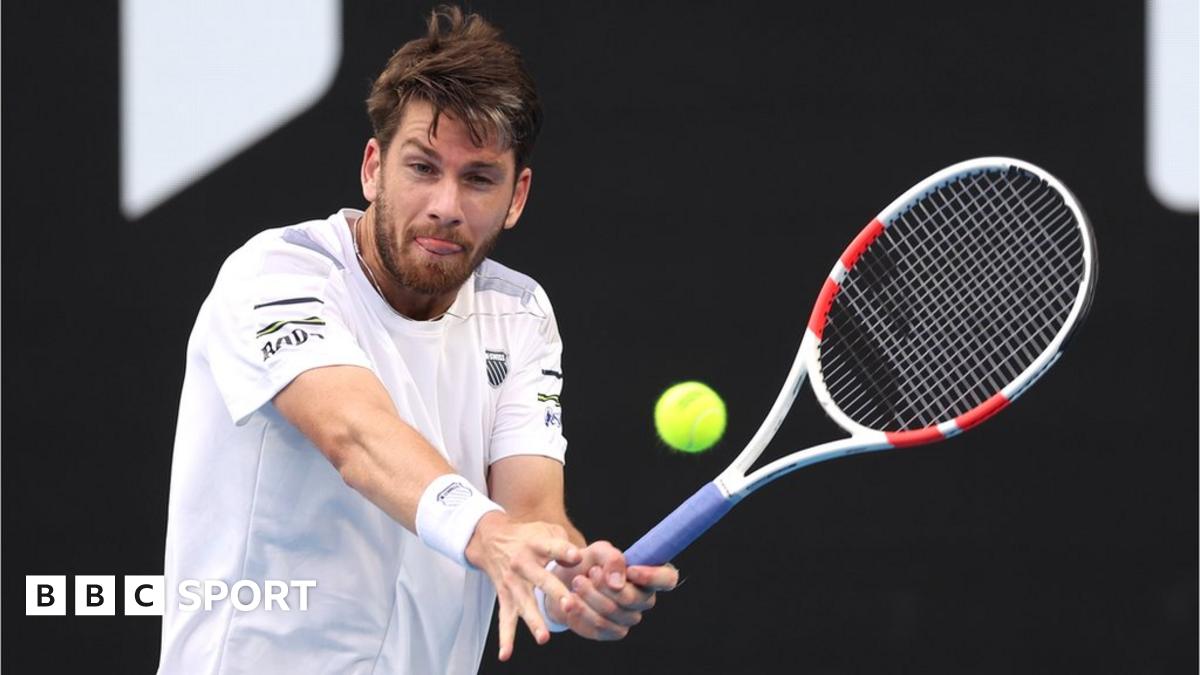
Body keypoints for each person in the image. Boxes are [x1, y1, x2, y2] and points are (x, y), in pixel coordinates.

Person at [157, 6, 678, 674]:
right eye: (423, 167)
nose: (446, 204)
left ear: (517, 197)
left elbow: (530, 519)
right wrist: (488, 533)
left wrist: (567, 584)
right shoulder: (276, 274)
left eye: (478, 177)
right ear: (373, 168)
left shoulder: (520, 316)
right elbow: (356, 434)